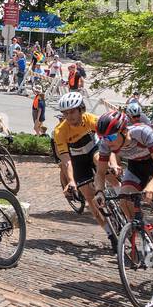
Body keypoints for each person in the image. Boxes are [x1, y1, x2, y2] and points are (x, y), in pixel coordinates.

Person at [95, 110, 153, 281]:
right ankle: (144, 233)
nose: (108, 142)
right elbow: (100, 173)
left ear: (123, 131)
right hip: (136, 168)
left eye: (111, 137)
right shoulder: (106, 144)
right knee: (125, 199)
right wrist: (99, 191)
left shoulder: (143, 133)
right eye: (104, 138)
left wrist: (151, 185)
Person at [53, 92, 115, 251]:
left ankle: (121, 193)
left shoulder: (91, 119)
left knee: (100, 161)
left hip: (94, 149)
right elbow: (66, 161)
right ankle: (110, 233)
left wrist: (113, 164)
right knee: (89, 197)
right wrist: (72, 181)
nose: (69, 116)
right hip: (77, 159)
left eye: (72, 111)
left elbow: (110, 142)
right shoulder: (60, 131)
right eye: (65, 113)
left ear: (81, 109)